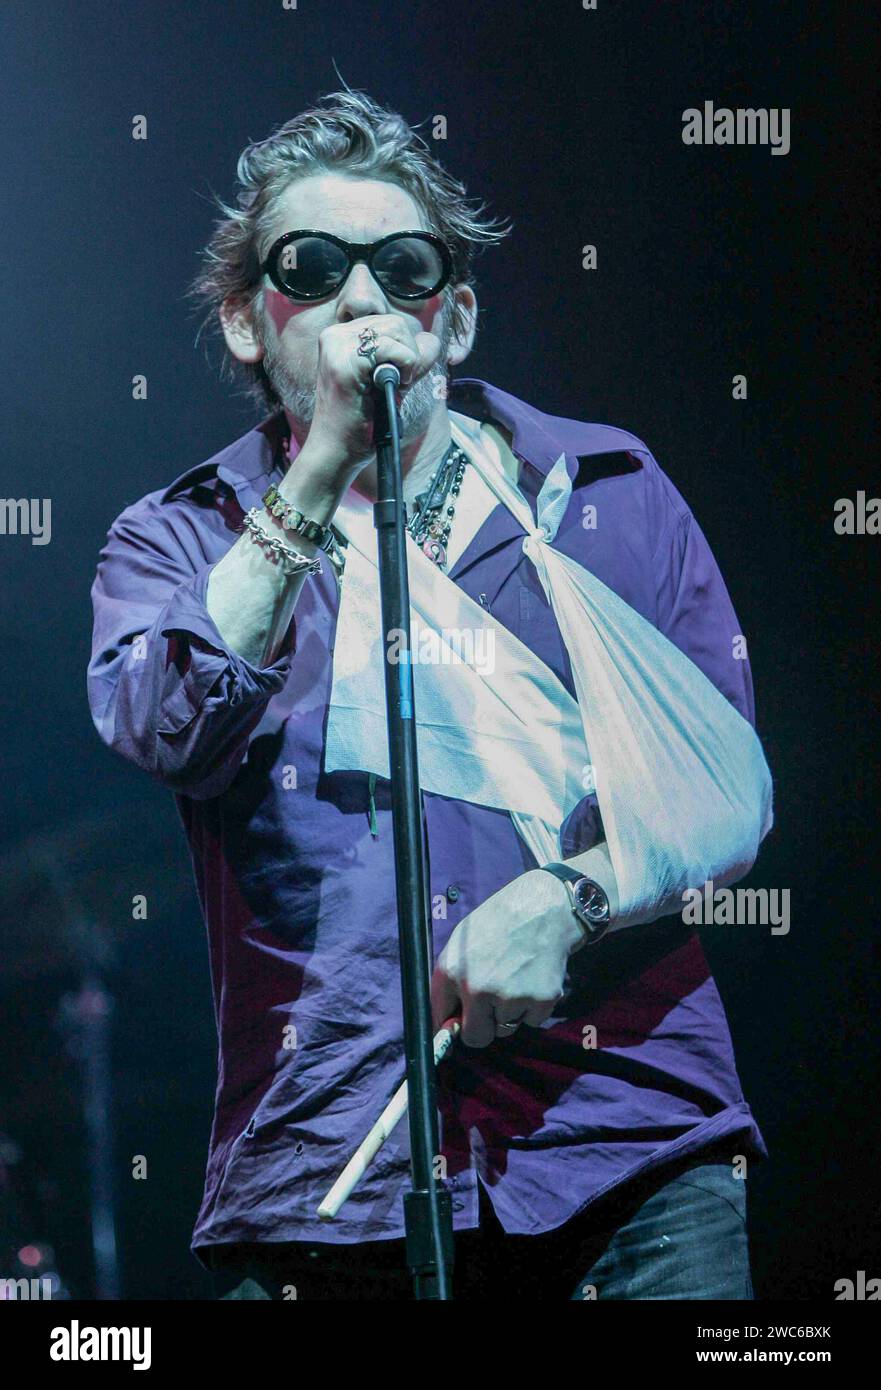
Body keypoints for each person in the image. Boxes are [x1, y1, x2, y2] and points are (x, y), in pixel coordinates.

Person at [87, 90, 766, 1300]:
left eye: (402, 268)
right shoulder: (179, 541)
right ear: (248, 321)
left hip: (627, 1145)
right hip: (327, 1167)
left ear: (452, 316)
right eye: (312, 266)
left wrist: (567, 900)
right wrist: (323, 465)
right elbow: (166, 724)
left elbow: (717, 797)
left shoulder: (603, 491)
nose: (363, 299)